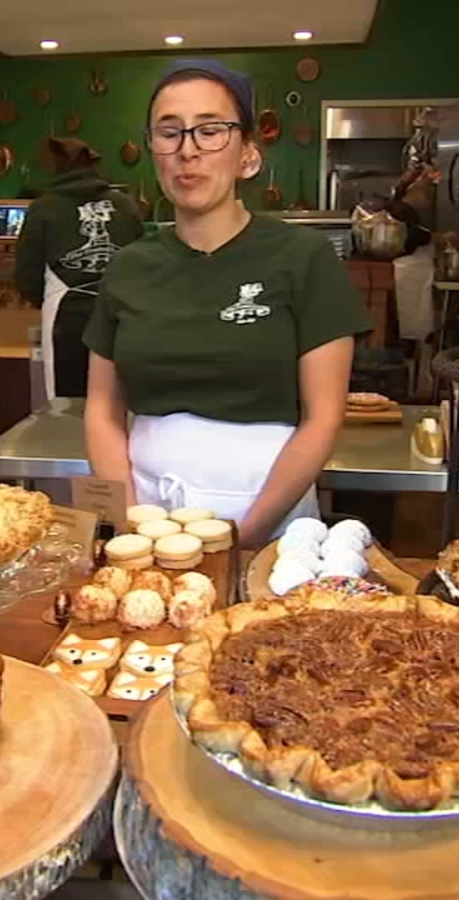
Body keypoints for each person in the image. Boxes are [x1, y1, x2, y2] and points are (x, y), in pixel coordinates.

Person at [82, 60, 371, 545]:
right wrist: (133, 521)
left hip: (269, 517)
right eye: (168, 132)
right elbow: (102, 412)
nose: (187, 151)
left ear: (248, 155)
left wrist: (246, 536)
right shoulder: (129, 266)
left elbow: (324, 418)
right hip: (150, 516)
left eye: (210, 131)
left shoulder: (303, 258)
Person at [14, 137, 145, 398]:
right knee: (121, 400)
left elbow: (28, 276)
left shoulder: (44, 208)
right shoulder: (124, 204)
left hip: (67, 317)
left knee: (66, 404)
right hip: (121, 315)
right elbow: (144, 263)